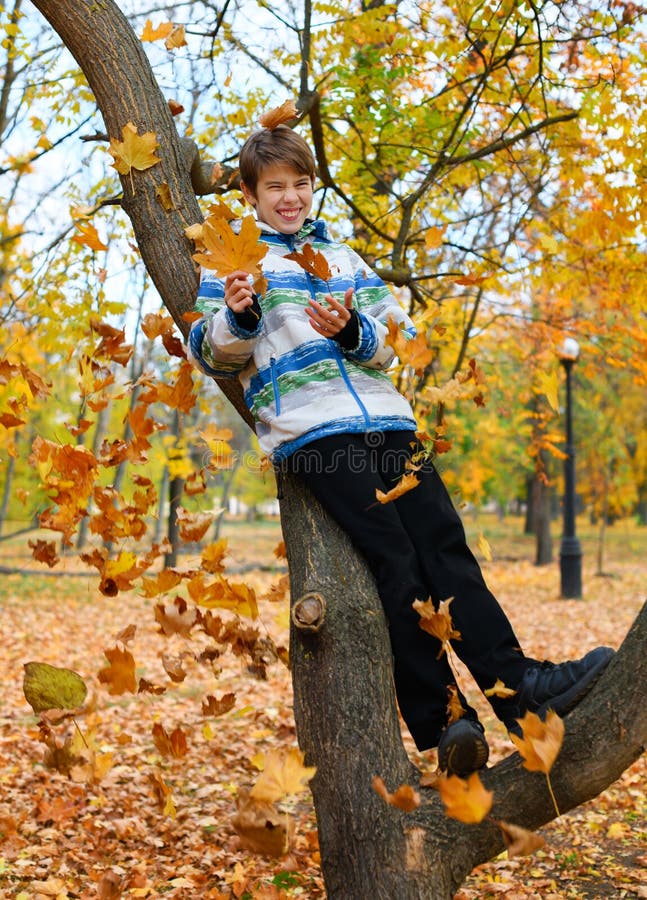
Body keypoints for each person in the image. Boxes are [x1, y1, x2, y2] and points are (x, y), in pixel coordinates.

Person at [187, 125, 614, 776]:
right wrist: (240, 315)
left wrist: (354, 328)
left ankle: (521, 694)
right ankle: (444, 723)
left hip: (388, 422)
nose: (291, 197)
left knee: (446, 551)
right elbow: (211, 353)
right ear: (249, 193)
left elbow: (398, 340)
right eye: (275, 187)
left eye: (301, 184)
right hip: (317, 436)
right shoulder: (234, 265)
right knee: (397, 564)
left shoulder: (344, 258)